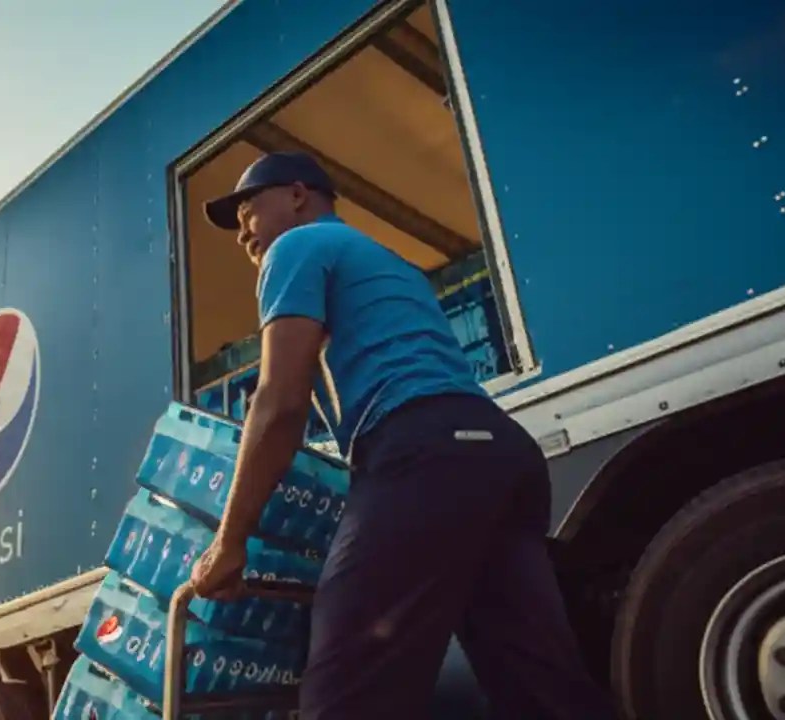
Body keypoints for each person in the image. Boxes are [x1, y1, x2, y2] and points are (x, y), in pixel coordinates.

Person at [188, 151, 616, 719]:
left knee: (346, 693)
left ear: (296, 195)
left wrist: (230, 540)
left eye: (248, 208)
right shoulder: (386, 261)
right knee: (541, 685)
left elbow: (280, 403)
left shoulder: (296, 247)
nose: (242, 230)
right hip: (500, 455)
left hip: (425, 456)